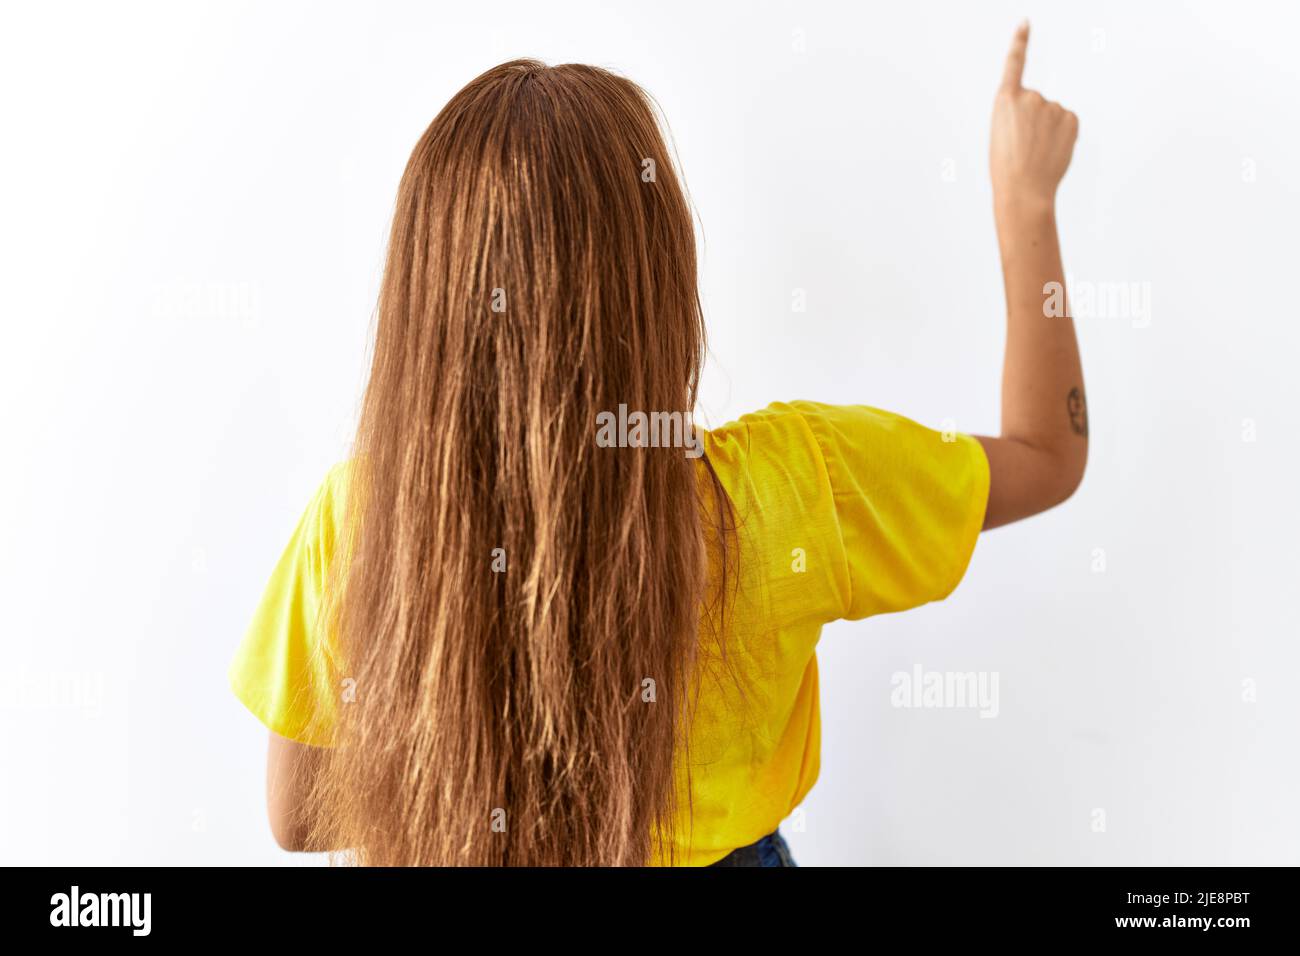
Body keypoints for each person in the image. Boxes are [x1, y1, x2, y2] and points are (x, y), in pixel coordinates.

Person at [229, 21, 1085, 866]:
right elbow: (1049, 455)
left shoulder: (360, 521)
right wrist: (1025, 201)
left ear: (426, 296)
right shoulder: (793, 490)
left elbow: (297, 816)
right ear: (659, 276)